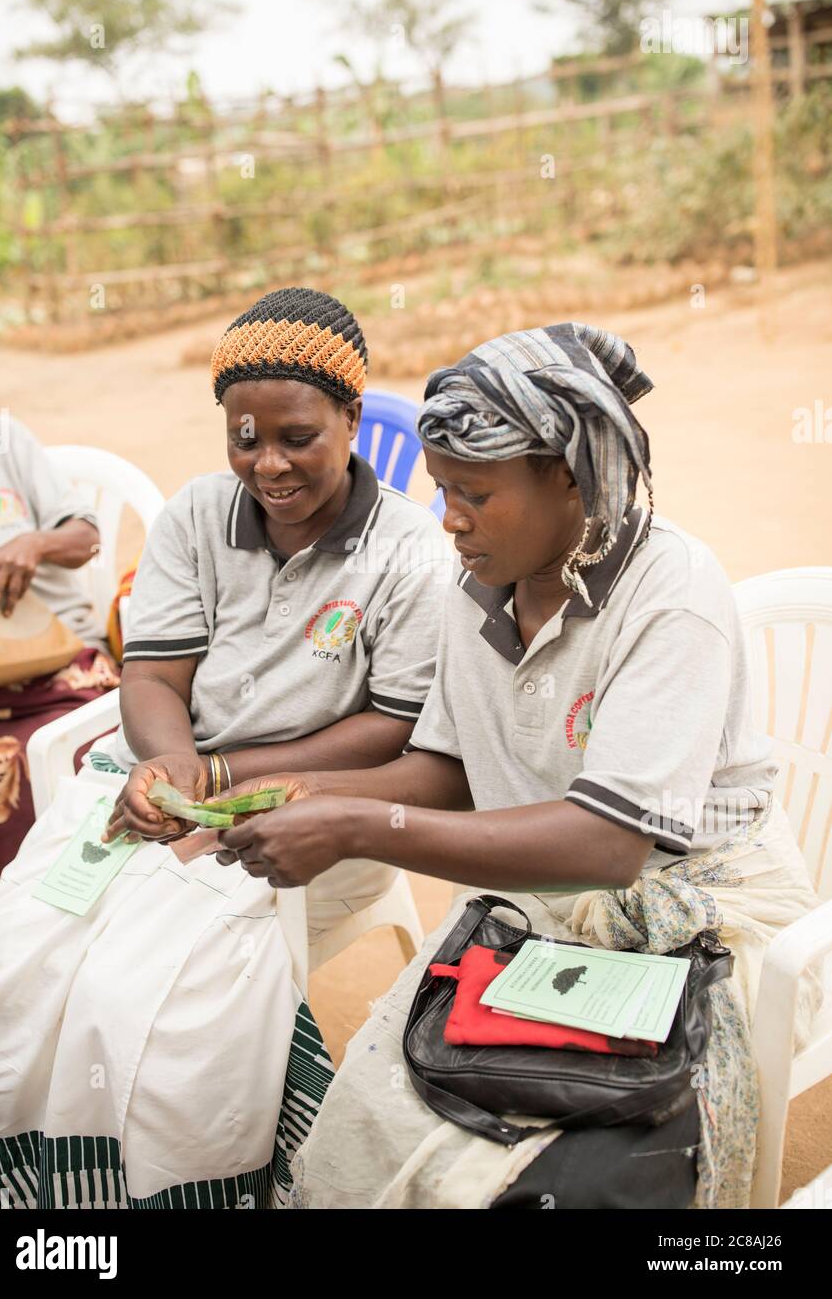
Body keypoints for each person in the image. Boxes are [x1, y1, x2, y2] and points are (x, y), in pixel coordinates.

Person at [212, 322, 823, 1210]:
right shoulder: (479, 586)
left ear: (570, 479)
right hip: (544, 905)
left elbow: (610, 846)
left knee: (575, 1178)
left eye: (474, 494)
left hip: (702, 921)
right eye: (442, 491)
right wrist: (286, 790)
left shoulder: (672, 596)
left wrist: (351, 826)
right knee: (379, 1122)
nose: (449, 518)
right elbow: (449, 772)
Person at [0, 288, 451, 1209]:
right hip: (169, 773)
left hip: (316, 815)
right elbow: (150, 674)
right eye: (243, 436)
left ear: (352, 420)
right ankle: (50, 1200)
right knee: (4, 957)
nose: (267, 464)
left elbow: (391, 728)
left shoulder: (408, 554)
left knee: (138, 999)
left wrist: (221, 779)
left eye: (297, 436)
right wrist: (166, 764)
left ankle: (170, 1193)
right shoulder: (195, 515)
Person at [0, 412, 117, 907]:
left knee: (20, 761)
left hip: (61, 663)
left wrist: (34, 543)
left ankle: (38, 919)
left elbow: (86, 538)